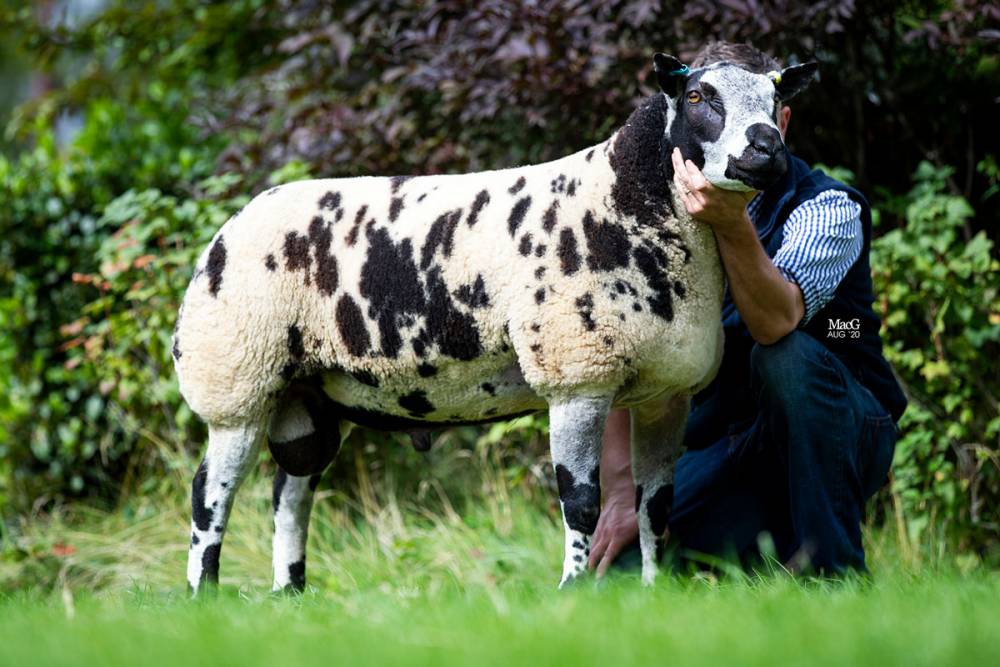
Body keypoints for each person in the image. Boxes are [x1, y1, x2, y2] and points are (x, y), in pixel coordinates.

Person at [588, 42, 907, 577]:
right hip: (732, 440)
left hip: (845, 422)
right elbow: (621, 347)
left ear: (781, 121)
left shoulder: (829, 207)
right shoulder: (660, 219)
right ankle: (762, 556)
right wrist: (621, 495)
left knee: (787, 353)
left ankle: (835, 576)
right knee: (619, 575)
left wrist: (731, 222)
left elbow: (781, 323)